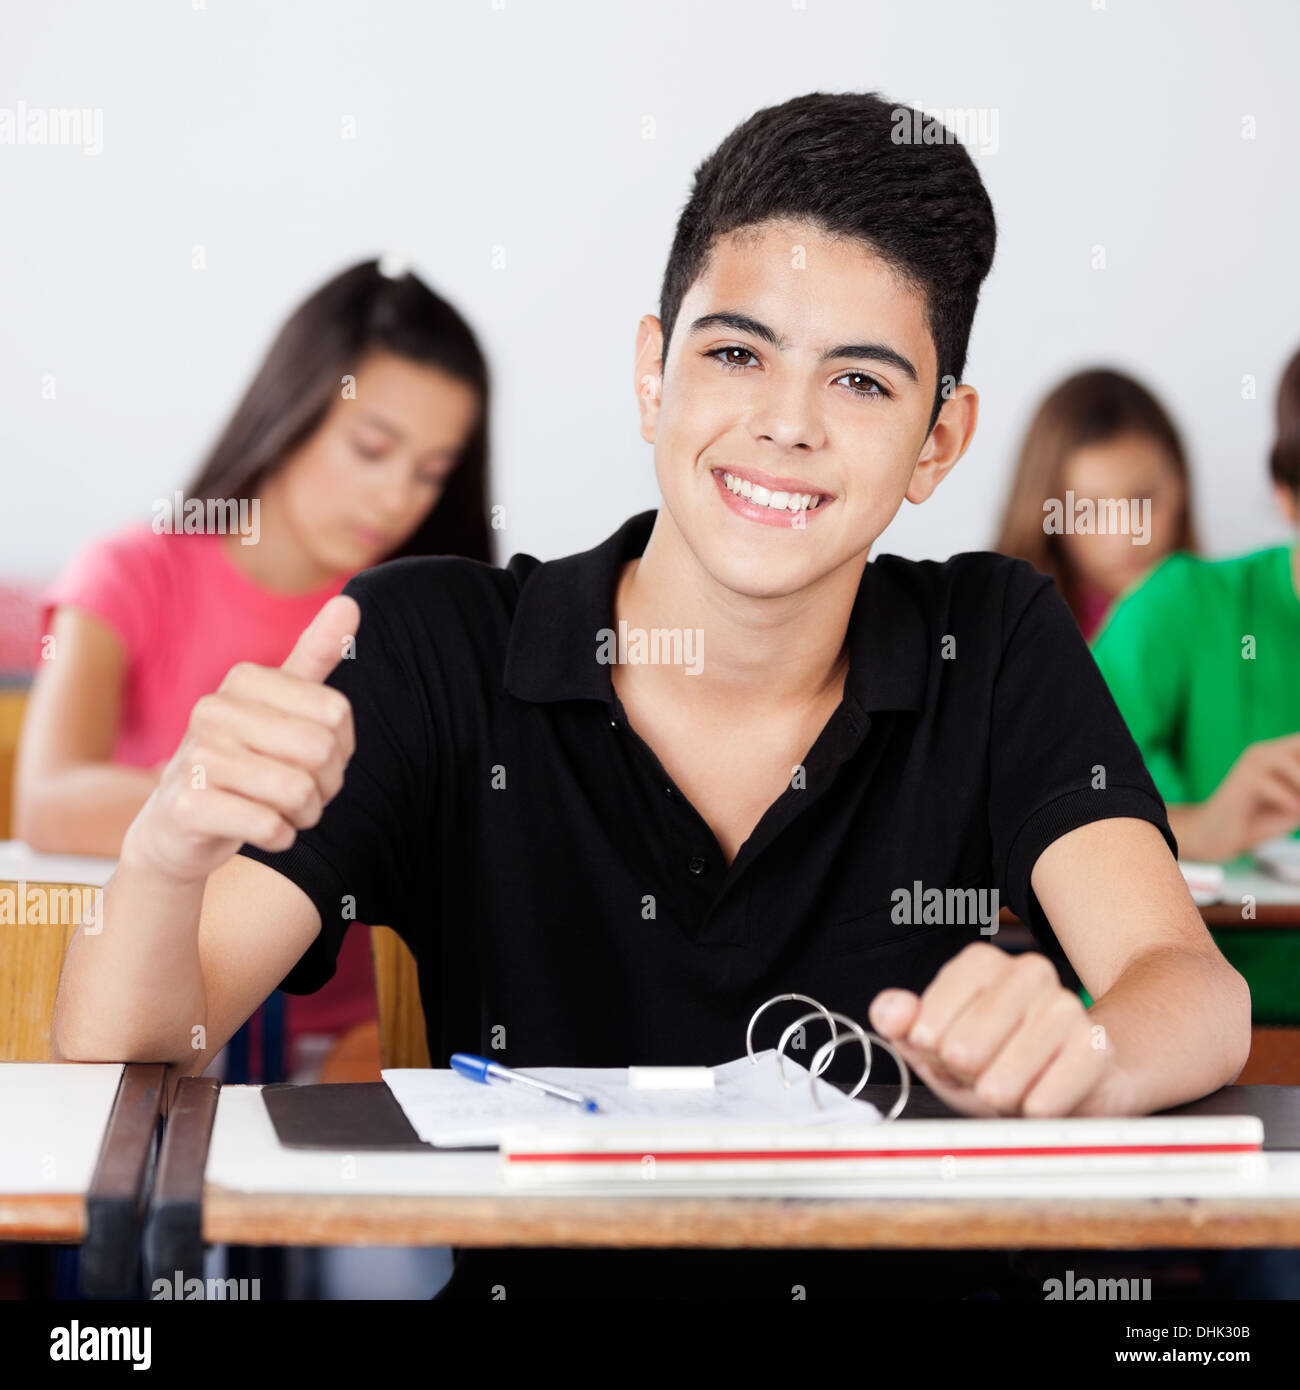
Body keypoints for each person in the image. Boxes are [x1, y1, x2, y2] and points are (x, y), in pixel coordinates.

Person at [51, 92, 1250, 1301]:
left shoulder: (992, 640)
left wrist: (1089, 1050)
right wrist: (163, 855)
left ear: (940, 443)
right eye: (736, 354)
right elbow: (140, 1042)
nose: (784, 425)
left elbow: (1191, 989)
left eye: (862, 384)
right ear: (651, 372)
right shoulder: (432, 647)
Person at [18, 257, 493, 1080]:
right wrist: (241, 793)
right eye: (372, 448)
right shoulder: (133, 574)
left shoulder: (421, 624)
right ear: (293, 408)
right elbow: (47, 802)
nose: (396, 498)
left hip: (368, 1046)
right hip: (149, 1028)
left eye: (431, 472)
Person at [1090, 345, 1300, 1028]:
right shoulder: (1182, 605)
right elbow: (1026, 805)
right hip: (1200, 1023)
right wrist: (1207, 826)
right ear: (1286, 495)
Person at [993, 368, 1197, 640]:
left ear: (1180, 484)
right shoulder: (1003, 636)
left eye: (1143, 500)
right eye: (1087, 510)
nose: (1123, 535)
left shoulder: (1223, 620)